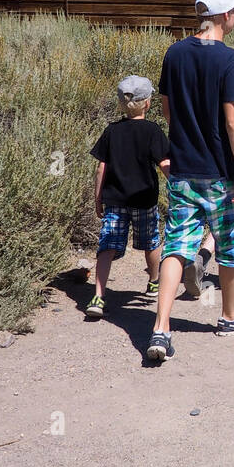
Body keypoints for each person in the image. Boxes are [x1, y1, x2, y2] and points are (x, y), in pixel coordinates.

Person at [147, 0, 234, 363]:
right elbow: (233, 119)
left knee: (177, 245)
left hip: (182, 170)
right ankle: (229, 316)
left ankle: (161, 327)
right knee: (230, 243)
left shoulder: (174, 53)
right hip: (219, 171)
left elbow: (166, 109)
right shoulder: (230, 60)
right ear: (225, 16)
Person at [87, 76, 170, 319]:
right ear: (147, 103)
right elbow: (164, 163)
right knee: (150, 241)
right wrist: (178, 185)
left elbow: (101, 167)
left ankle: (98, 296)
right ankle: (154, 281)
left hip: (115, 199)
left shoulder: (112, 131)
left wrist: (98, 197)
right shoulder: (153, 131)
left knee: (107, 246)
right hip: (144, 199)